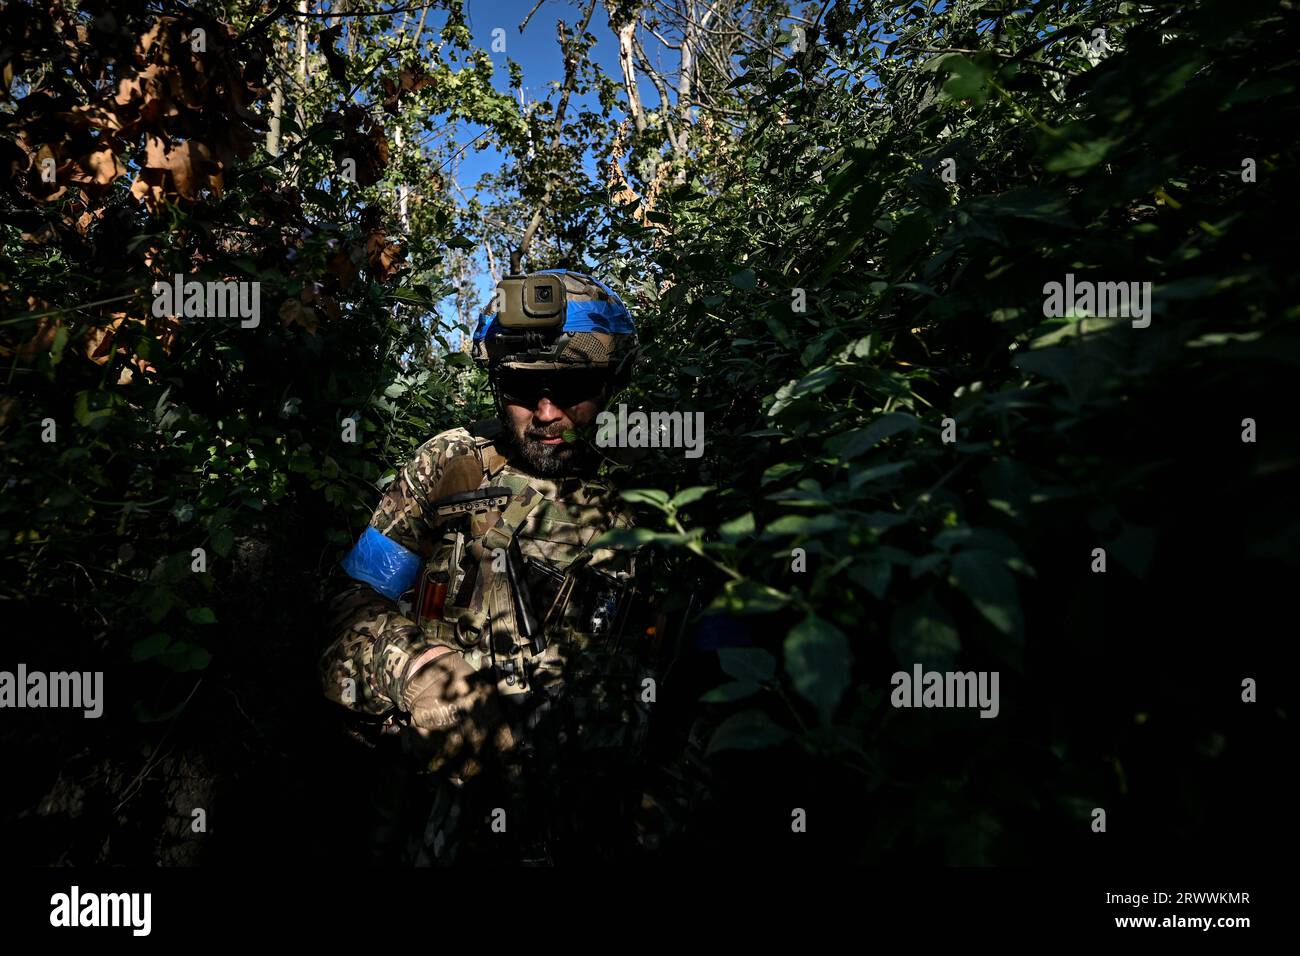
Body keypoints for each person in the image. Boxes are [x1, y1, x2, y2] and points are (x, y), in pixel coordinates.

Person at [319, 269, 661, 863]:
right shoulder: (449, 464)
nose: (547, 413)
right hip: (449, 810)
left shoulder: (658, 491)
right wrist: (417, 669)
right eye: (523, 389)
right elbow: (353, 600)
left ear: (611, 383)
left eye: (572, 385)